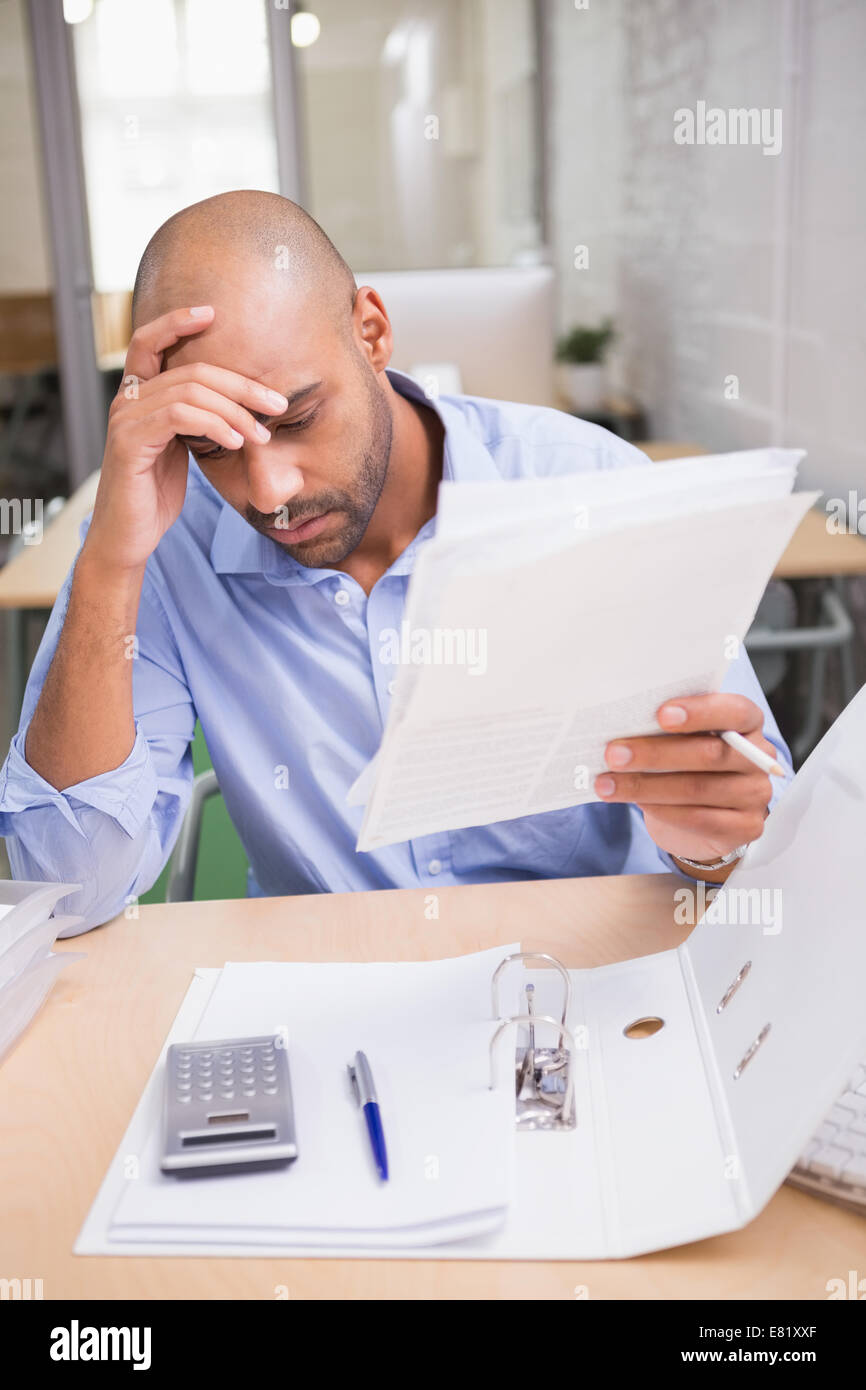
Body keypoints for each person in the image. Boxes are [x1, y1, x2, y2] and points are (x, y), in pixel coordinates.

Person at [0, 191, 793, 935]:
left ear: (372, 332)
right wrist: (110, 561)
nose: (270, 491)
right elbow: (69, 892)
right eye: (213, 447)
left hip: (579, 986)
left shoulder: (588, 485)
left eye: (300, 418)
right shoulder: (164, 547)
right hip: (326, 1007)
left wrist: (709, 843)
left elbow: (757, 829)